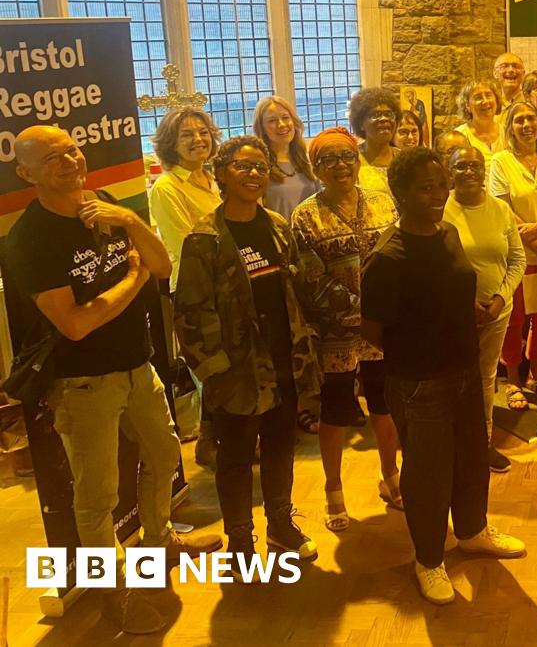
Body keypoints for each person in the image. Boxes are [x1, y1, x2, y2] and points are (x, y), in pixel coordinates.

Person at [7, 126, 222, 634]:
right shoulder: (29, 239)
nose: (69, 161)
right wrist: (132, 277)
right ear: (26, 173)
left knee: (165, 455)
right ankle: (114, 593)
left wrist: (128, 218)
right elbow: (76, 324)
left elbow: (161, 264)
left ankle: (159, 541)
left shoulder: (103, 205)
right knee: (97, 497)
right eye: (52, 157)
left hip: (138, 367)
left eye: (72, 150)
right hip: (82, 385)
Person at [361, 147, 526, 606]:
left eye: (441, 185)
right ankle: (429, 559)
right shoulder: (388, 256)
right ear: (400, 192)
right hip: (419, 380)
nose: (438, 194)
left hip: (464, 368)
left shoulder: (448, 233)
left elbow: (451, 289)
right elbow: (372, 329)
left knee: (471, 457)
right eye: (426, 188)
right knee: (428, 473)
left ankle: (472, 531)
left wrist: (466, 313)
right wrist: (420, 348)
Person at [175, 136, 334, 578]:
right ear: (221, 173)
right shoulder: (205, 238)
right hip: (236, 370)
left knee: (281, 446)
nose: (253, 174)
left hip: (282, 361)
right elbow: (190, 312)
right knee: (236, 457)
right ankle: (240, 541)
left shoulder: (277, 228)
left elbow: (297, 291)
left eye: (261, 166)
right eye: (242, 166)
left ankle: (280, 524)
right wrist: (215, 371)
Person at [289, 127, 401, 531]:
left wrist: (386, 311)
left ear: (358, 160)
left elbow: (399, 256)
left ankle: (391, 477)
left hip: (384, 328)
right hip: (335, 332)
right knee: (335, 411)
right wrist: (359, 310)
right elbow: (310, 278)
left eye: (347, 156)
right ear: (316, 168)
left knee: (385, 404)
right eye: (329, 159)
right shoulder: (305, 216)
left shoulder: (383, 204)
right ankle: (333, 490)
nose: (340, 166)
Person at [444, 145, 528, 473]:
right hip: (452, 314)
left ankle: (483, 443)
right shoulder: (440, 209)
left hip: (496, 313)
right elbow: (433, 262)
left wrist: (500, 299)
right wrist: (464, 302)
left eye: (475, 166)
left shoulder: (500, 210)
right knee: (453, 379)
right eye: (460, 166)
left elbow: (517, 259)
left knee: (485, 378)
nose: (469, 172)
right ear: (450, 171)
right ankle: (452, 444)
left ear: (484, 170)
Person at [146, 107, 223, 461]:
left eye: (203, 132)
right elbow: (186, 246)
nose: (198, 140)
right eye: (187, 135)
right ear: (170, 143)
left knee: (227, 369)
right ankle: (215, 445)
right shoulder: (167, 187)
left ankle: (218, 440)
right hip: (196, 291)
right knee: (208, 370)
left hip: (227, 284)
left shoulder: (214, 179)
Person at [489, 101, 537, 460]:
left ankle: (536, 371)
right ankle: (514, 379)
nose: (526, 124)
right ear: (510, 127)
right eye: (518, 120)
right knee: (515, 318)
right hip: (518, 251)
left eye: (530, 118)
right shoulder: (500, 162)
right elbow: (503, 208)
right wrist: (535, 244)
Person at [253, 95, 320, 221]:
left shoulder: (307, 160)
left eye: (285, 117)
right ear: (262, 128)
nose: (281, 124)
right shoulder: (258, 167)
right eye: (272, 121)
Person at [348, 87, 403, 196]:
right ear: (361, 124)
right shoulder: (352, 160)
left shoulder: (403, 158)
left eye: (389, 114)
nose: (384, 119)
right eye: (375, 115)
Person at [455, 79, 504, 171]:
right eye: (478, 98)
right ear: (467, 106)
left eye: (488, 95)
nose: (485, 101)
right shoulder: (460, 136)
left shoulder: (508, 133)